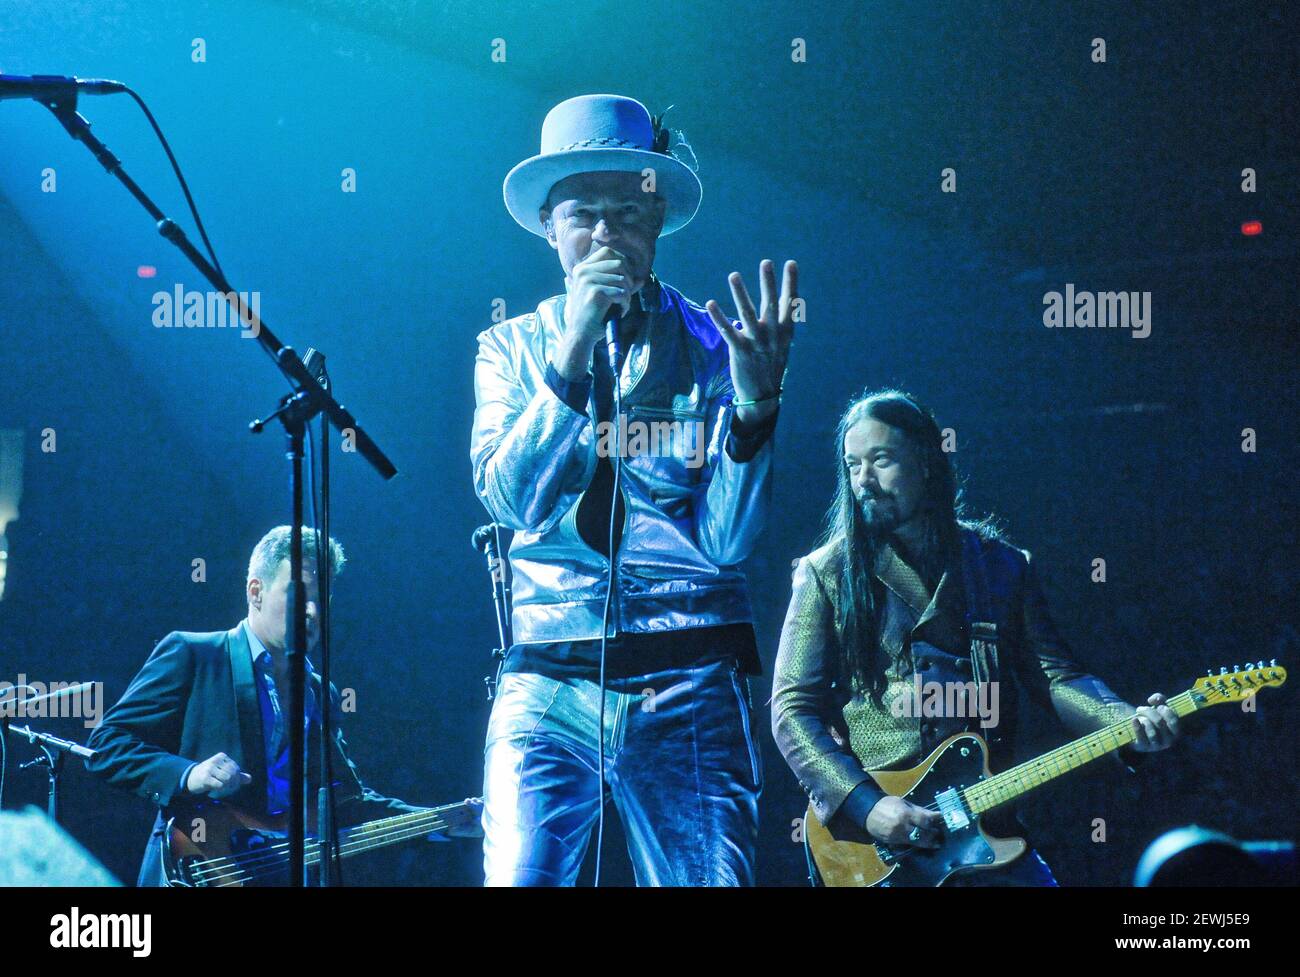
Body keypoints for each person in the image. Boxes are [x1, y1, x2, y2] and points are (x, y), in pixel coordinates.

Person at [472, 93, 798, 885]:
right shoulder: (508, 348)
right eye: (584, 213)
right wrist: (574, 348)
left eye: (628, 212)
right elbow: (510, 500)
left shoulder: (716, 345)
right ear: (551, 228)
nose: (606, 234)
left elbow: (726, 543)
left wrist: (756, 410)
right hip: (548, 676)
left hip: (689, 673)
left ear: (657, 226)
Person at [771, 390, 1179, 885]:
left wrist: (1123, 722)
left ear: (926, 463)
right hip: (880, 844)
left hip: (988, 829)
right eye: (852, 464)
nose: (864, 481)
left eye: (881, 460)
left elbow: (1056, 676)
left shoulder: (1000, 565)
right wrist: (867, 804)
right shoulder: (825, 573)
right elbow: (791, 710)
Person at [85, 526, 478, 886]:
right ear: (255, 591)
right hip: (196, 866)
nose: (313, 612)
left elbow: (344, 802)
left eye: (322, 598)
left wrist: (441, 820)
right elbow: (107, 744)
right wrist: (189, 774)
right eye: (299, 595)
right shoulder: (196, 654)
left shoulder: (318, 691)